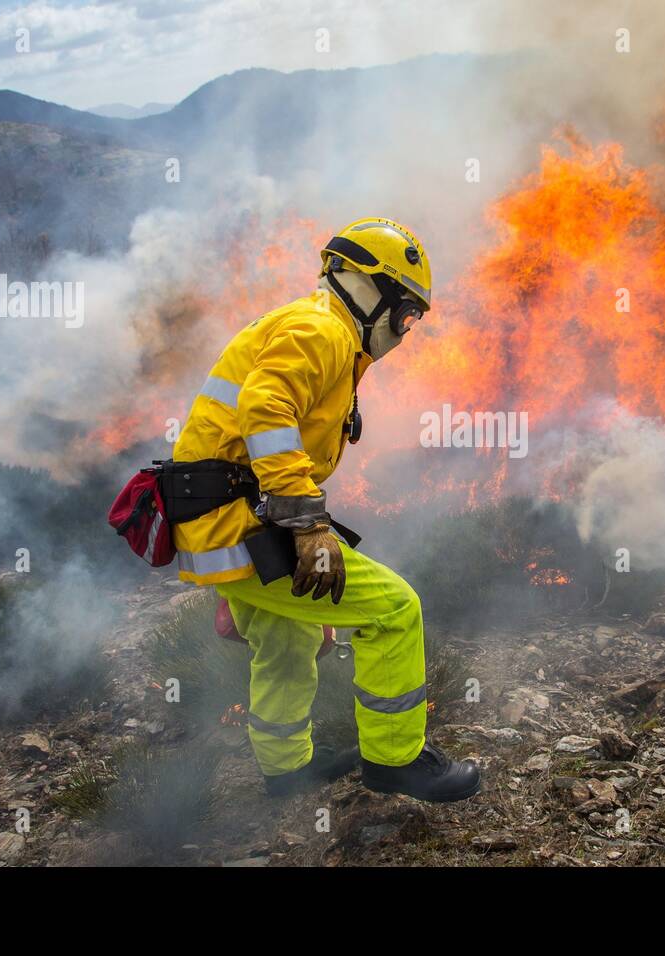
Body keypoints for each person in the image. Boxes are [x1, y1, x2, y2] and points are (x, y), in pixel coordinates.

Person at [170, 217, 480, 802]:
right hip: (238, 524)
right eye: (406, 313)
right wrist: (309, 526)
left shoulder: (318, 330)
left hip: (222, 522)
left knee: (290, 639)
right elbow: (264, 410)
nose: (406, 329)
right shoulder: (321, 330)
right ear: (372, 291)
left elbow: (228, 451)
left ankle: (286, 772)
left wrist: (242, 580)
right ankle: (396, 759)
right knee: (393, 609)